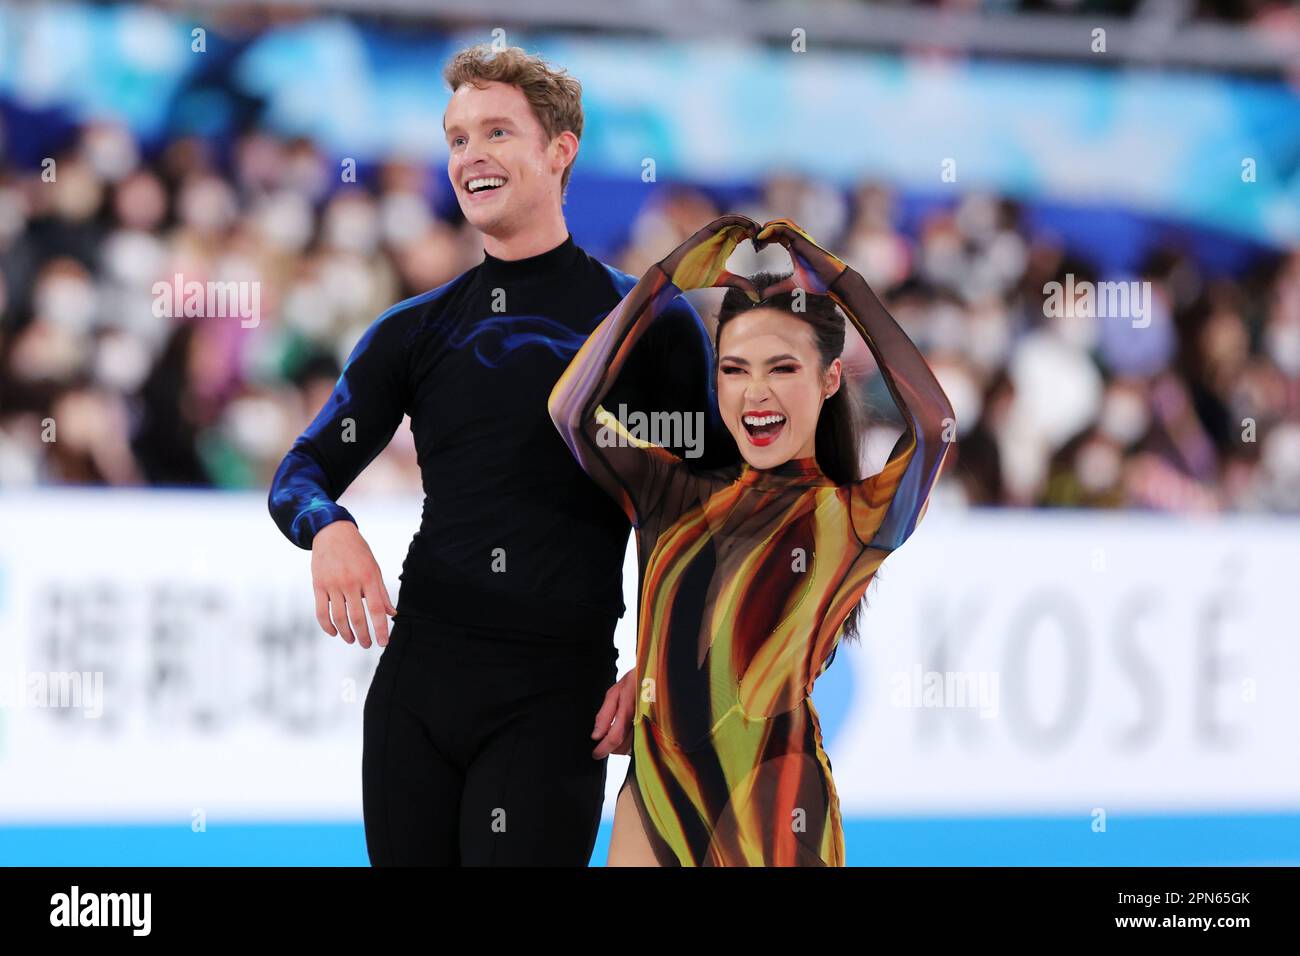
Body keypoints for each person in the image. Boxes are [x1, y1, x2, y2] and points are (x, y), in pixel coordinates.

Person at [267, 45, 729, 866]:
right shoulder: (415, 329)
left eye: (496, 133)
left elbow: (705, 518)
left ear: (561, 149)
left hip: (556, 697)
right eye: (456, 139)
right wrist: (329, 528)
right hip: (418, 685)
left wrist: (659, 669)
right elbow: (301, 472)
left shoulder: (645, 322)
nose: (470, 156)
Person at [548, 214, 955, 865]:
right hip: (654, 800)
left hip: (776, 807)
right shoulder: (668, 491)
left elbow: (936, 429)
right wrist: (665, 281)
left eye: (782, 368)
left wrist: (844, 283)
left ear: (829, 381)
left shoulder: (853, 514)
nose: (756, 392)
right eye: (735, 369)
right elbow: (569, 409)